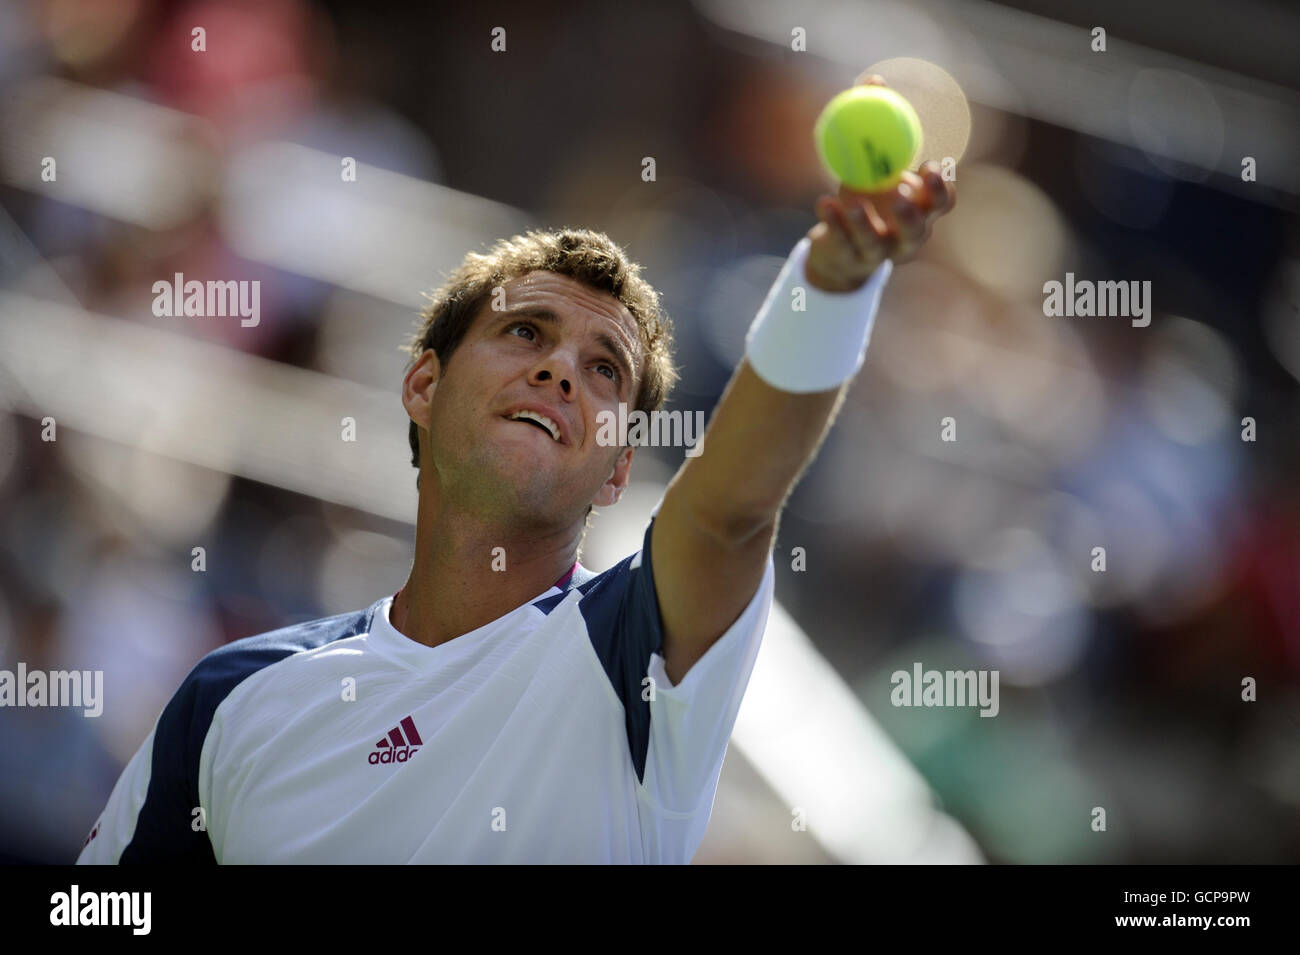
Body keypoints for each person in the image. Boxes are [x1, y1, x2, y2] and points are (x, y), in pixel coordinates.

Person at [77, 81, 955, 864]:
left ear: (617, 473)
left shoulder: (633, 656)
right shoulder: (231, 699)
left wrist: (830, 288)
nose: (562, 370)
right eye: (526, 332)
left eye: (605, 368)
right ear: (424, 383)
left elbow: (729, 511)